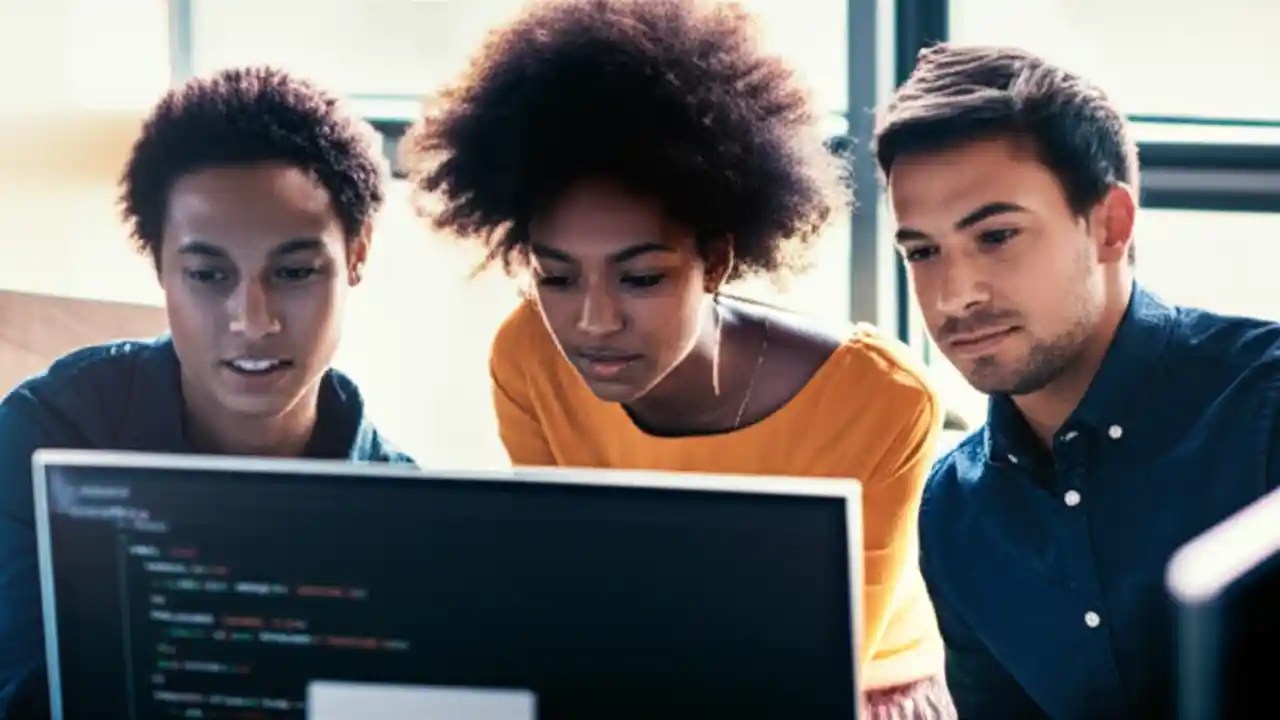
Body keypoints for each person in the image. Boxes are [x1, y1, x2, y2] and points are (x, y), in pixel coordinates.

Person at [403, 0, 955, 715]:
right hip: (633, 672)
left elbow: (820, 669)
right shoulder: (528, 357)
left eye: (641, 278)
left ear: (716, 260)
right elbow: (565, 589)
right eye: (557, 277)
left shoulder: (880, 400)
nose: (593, 322)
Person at [874, 43, 1280, 718]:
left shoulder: (1264, 410)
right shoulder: (954, 510)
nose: (952, 295)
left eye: (997, 236)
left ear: (1110, 225)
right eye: (923, 252)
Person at [0, 66, 413, 718]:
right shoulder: (46, 436)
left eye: (295, 271)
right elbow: (25, 699)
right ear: (160, 267)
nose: (253, 320)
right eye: (207, 274)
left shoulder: (412, 514)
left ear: (356, 256)